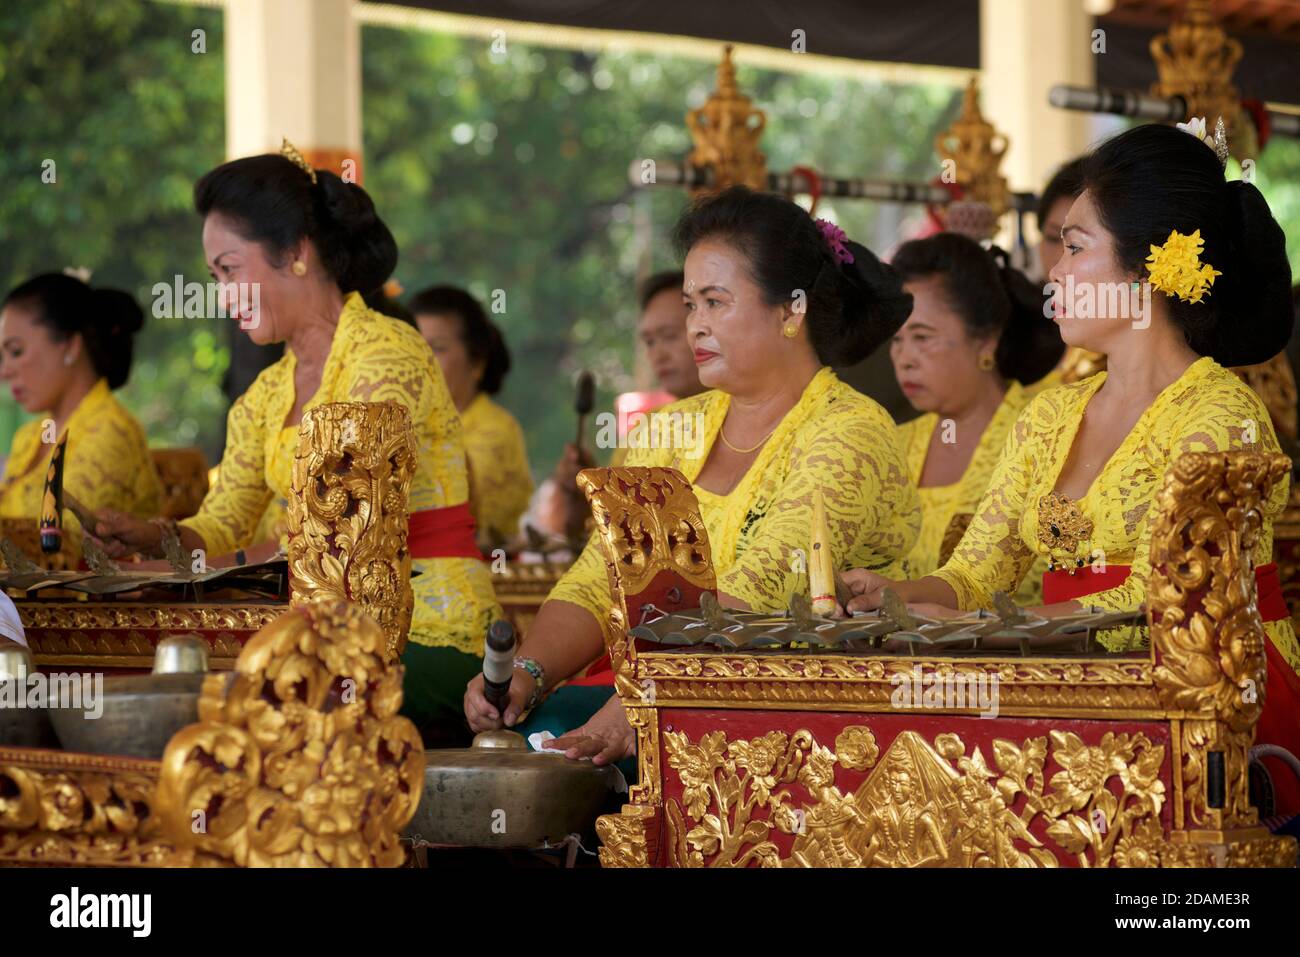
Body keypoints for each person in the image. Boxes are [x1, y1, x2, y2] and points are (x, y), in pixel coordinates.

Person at [842, 123, 1299, 806]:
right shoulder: (1050, 415)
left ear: (1146, 271)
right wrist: (899, 596)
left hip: (1208, 707)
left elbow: (1156, 603)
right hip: (1076, 684)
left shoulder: (1221, 417)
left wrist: (974, 630)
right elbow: (975, 573)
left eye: (1074, 247)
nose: (1053, 273)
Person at [465, 185, 920, 765]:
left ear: (791, 309)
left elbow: (762, 591)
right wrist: (527, 673)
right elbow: (597, 580)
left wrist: (634, 711)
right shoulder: (666, 431)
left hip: (799, 720)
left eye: (715, 302)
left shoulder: (849, 429)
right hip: (655, 695)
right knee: (516, 746)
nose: (695, 327)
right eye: (689, 305)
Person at [85, 144, 500, 738]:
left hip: (427, 628)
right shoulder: (266, 393)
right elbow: (226, 521)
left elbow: (336, 537)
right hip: (317, 630)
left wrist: (176, 572)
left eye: (230, 270)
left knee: (262, 711)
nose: (223, 295)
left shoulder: (387, 353)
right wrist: (154, 536)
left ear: (296, 253)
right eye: (214, 277)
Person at [887, 233, 1062, 601]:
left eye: (922, 337)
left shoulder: (1046, 433)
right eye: (897, 339)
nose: (904, 358)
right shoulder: (892, 445)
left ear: (985, 341)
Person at [531, 271, 705, 542]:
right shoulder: (647, 429)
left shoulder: (746, 418)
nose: (657, 353)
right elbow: (599, 538)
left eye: (669, 336)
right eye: (649, 342)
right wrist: (580, 493)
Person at [0, 273, 161, 543]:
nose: (5, 372)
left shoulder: (111, 434)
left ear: (71, 346)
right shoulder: (29, 436)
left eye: (16, 352)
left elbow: (61, 544)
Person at [410, 285, 531, 546]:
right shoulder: (409, 422)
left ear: (476, 363)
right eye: (413, 347)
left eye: (437, 348)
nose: (422, 360)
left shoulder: (496, 430)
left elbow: (452, 506)